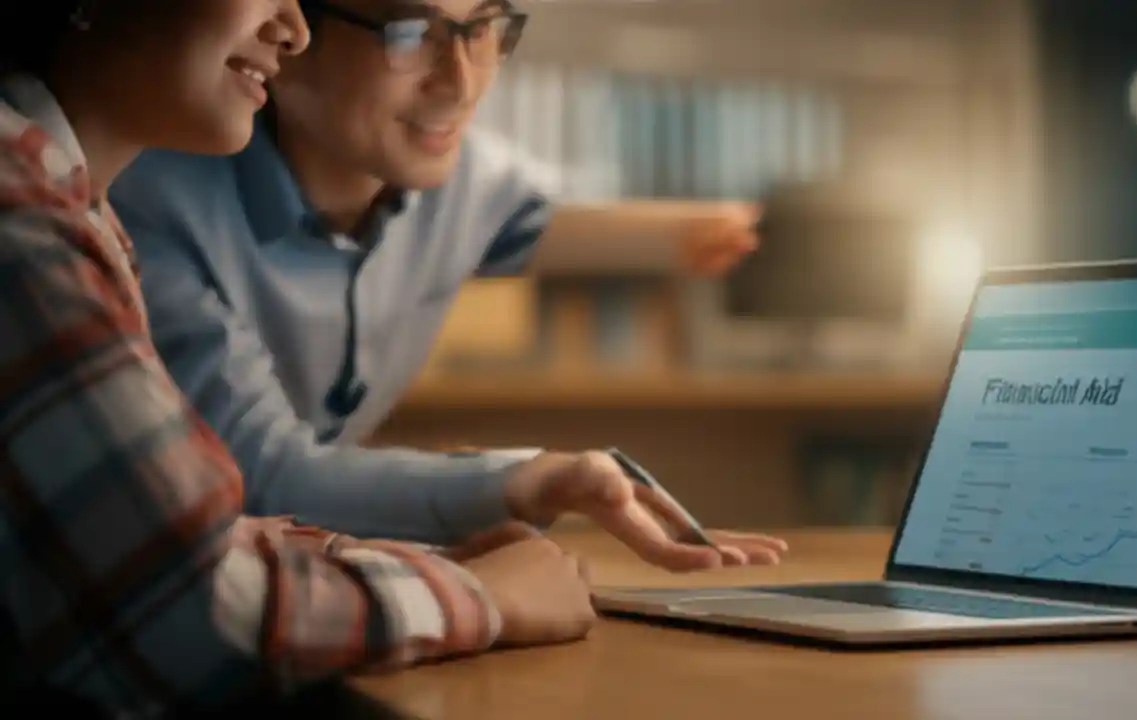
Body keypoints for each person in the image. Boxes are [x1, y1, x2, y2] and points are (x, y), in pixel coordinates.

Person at [0, 1, 599, 715]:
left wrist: (393, 569)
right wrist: (485, 598)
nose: (294, 26)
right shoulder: (21, 218)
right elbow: (193, 614)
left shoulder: (73, 201)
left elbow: (178, 540)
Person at [107, 0, 785, 569]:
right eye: (409, 33)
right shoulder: (141, 201)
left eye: (481, 27)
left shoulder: (466, 184)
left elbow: (565, 223)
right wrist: (527, 478)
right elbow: (256, 475)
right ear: (286, 35)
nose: (461, 83)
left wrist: (736, 229)